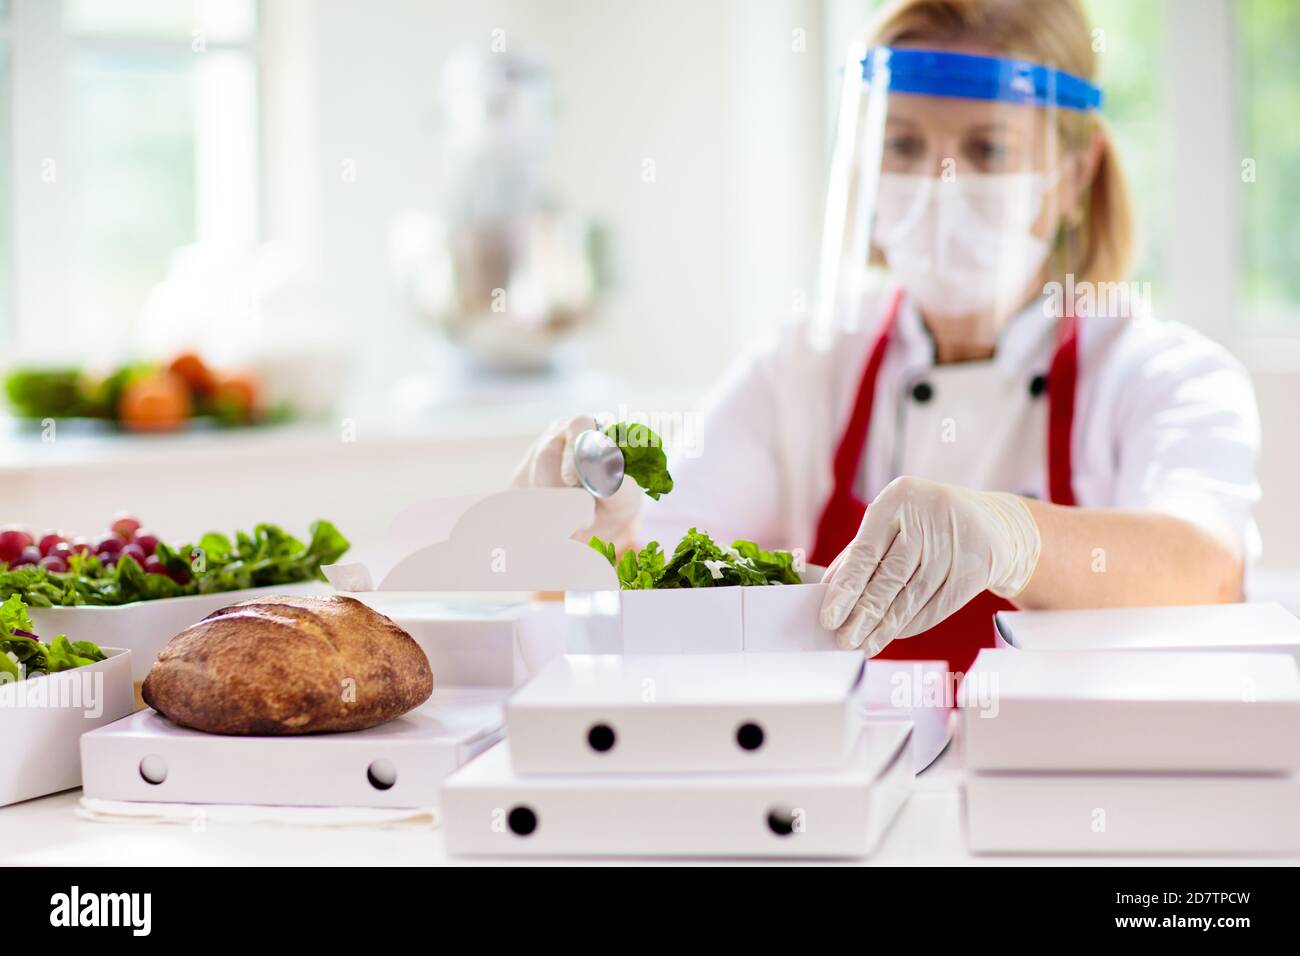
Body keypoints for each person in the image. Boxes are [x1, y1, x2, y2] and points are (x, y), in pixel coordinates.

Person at [512, 0, 1260, 674]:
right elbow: (662, 584)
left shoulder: (1163, 375)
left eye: (988, 150)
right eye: (903, 146)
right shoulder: (803, 367)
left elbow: (1203, 566)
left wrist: (1012, 535)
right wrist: (589, 534)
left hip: (1061, 789)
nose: (939, 182)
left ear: (1074, 174)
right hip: (842, 792)